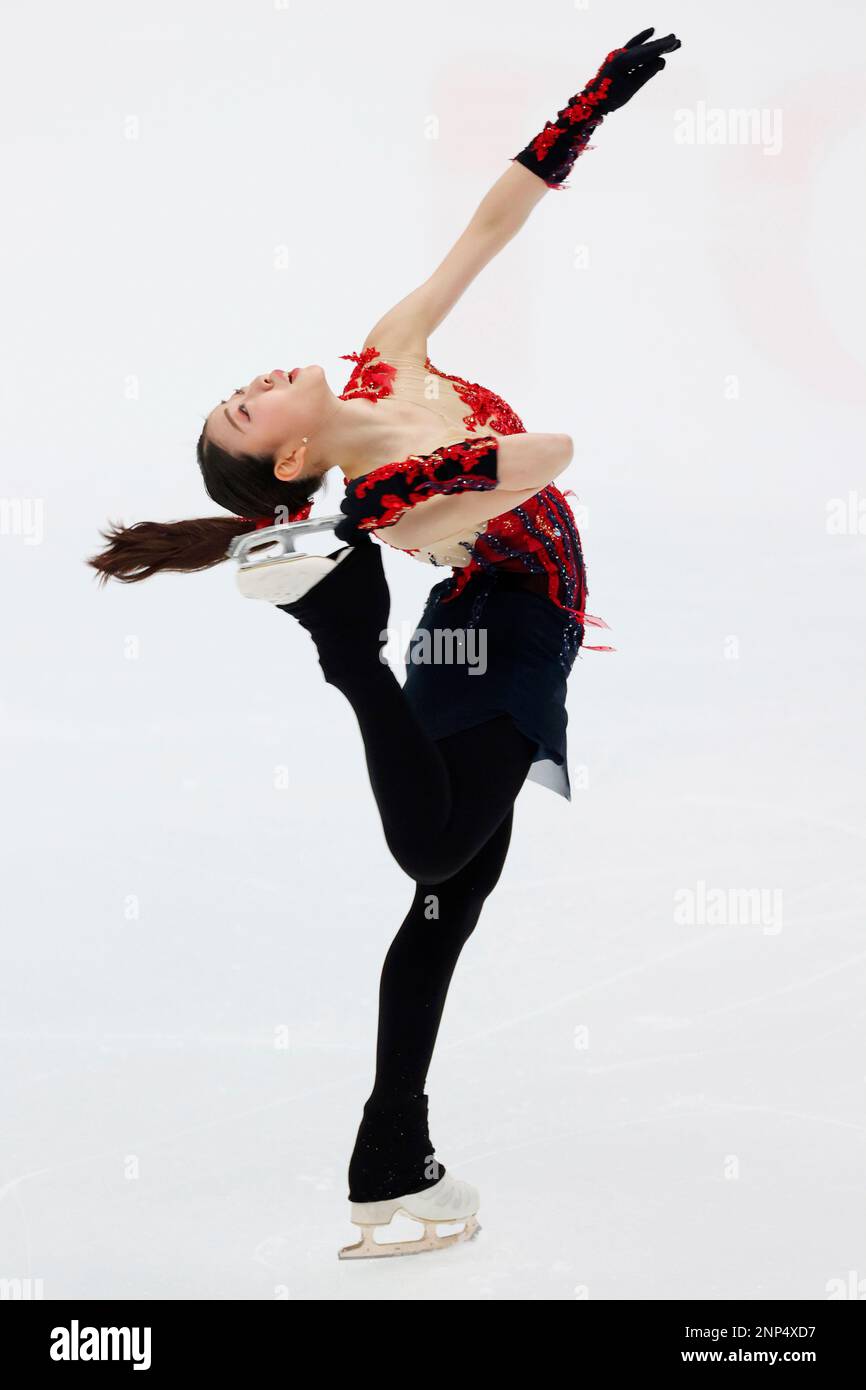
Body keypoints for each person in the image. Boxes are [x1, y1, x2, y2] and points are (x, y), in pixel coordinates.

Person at [89, 28, 682, 1258]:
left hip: (466, 631)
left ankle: (388, 1163)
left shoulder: (381, 353)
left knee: (444, 903)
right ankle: (341, 650)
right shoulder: (397, 491)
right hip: (507, 630)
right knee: (437, 851)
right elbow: (547, 456)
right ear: (291, 459)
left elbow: (487, 226)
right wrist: (372, 508)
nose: (256, 377)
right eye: (248, 408)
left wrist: (590, 105)